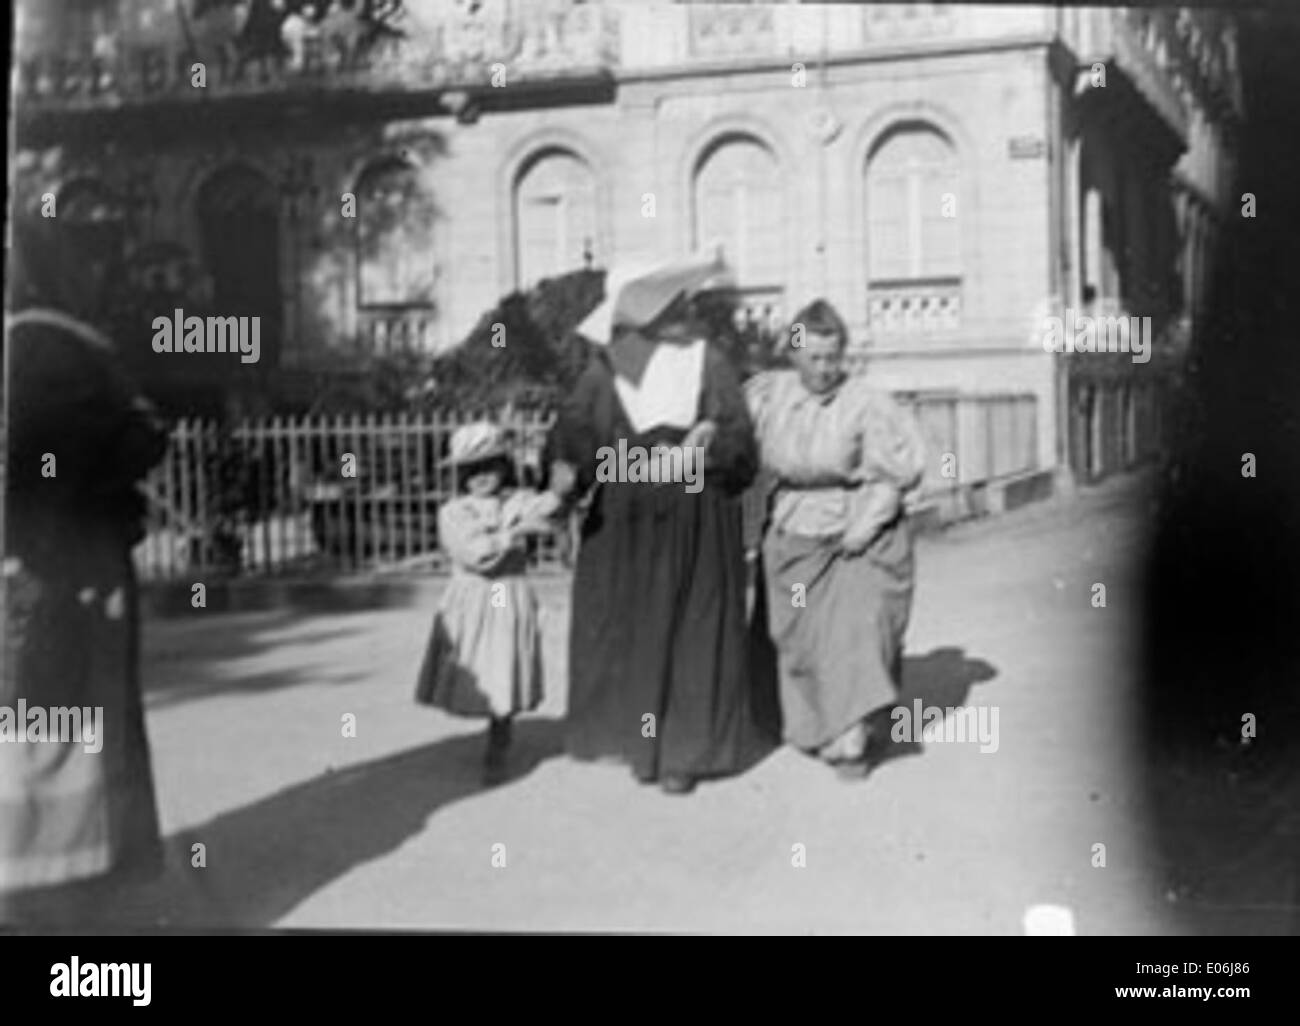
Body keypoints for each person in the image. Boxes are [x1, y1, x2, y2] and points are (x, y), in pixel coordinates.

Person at [548, 256, 770, 795]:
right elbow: (574, 437)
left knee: (692, 625)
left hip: (694, 507)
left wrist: (706, 446)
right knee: (637, 624)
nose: (683, 310)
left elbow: (740, 443)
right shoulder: (607, 369)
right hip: (630, 513)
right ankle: (642, 744)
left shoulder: (707, 361)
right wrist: (566, 487)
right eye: (671, 301)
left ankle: (682, 753)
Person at [1, 212, 170, 921]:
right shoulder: (65, 345)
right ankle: (61, 881)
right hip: (66, 562)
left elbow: (68, 451)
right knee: (60, 716)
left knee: (41, 716)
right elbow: (138, 438)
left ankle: (43, 884)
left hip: (41, 562)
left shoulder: (39, 346)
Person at [745, 298, 927, 773]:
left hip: (858, 529)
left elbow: (894, 477)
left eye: (833, 358)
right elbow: (733, 440)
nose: (824, 369)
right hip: (794, 527)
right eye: (813, 359)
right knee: (800, 636)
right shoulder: (770, 396)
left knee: (857, 632)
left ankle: (853, 739)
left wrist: (863, 526)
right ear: (794, 354)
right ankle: (818, 726)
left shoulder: (868, 404)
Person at [414, 422, 564, 786]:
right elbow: (475, 553)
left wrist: (558, 490)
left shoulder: (517, 500)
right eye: (471, 470)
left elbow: (550, 511)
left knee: (504, 668)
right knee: (476, 670)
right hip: (474, 598)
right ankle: (488, 723)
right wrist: (515, 532)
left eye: (490, 466)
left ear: (504, 466)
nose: (481, 477)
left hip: (508, 596)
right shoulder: (455, 512)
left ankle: (499, 740)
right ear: (460, 475)